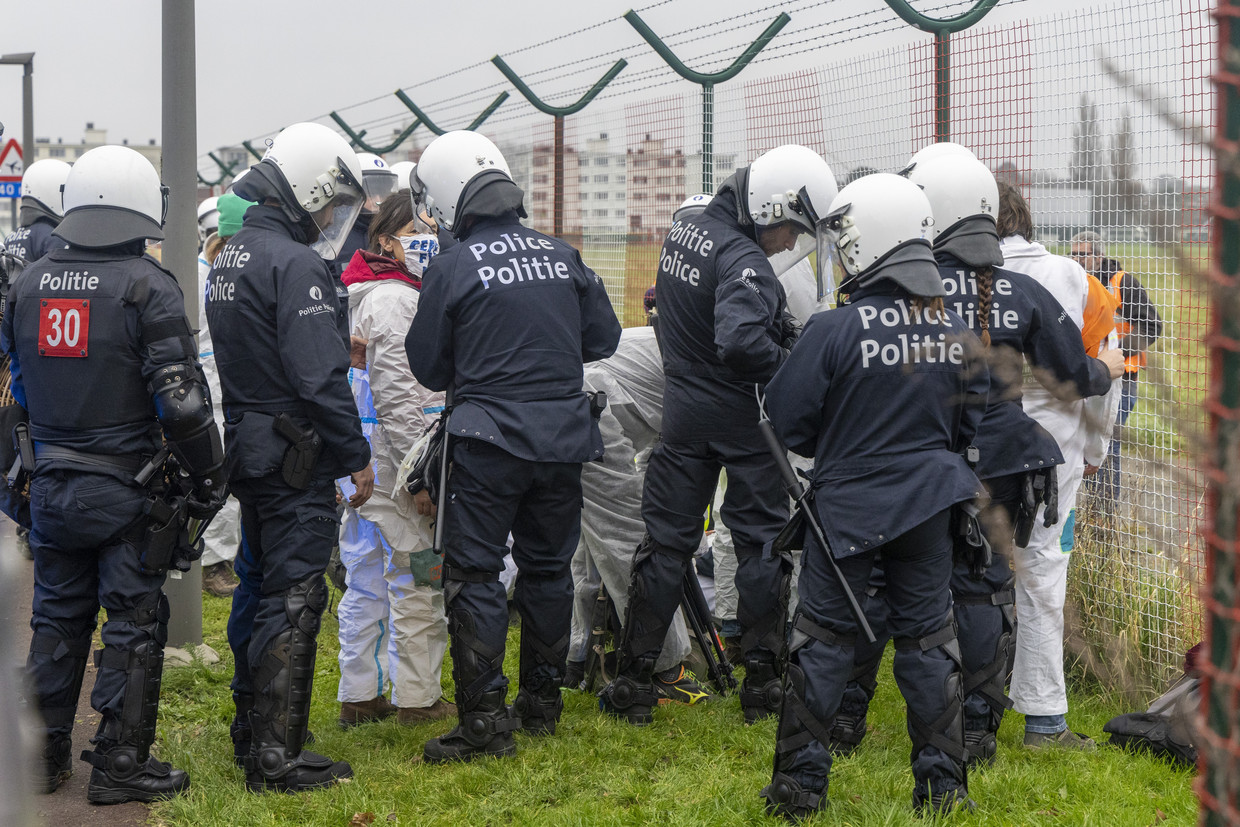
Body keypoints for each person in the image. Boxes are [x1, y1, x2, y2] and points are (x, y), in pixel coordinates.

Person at [829, 151, 1124, 768]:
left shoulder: (902, 290)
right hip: (1004, 463)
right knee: (984, 591)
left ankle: (846, 716)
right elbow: (1073, 378)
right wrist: (1108, 368)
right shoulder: (1023, 290)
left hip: (922, 462)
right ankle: (977, 729)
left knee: (881, 585)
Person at [760, 172, 988, 819]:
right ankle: (943, 790)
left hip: (845, 515)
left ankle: (800, 788)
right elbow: (968, 427)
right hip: (930, 510)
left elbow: (790, 422)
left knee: (822, 642)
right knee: (929, 642)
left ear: (867, 243)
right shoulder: (955, 331)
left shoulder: (832, 329)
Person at [3, 145, 226, 803]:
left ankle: (40, 760)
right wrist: (211, 475)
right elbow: (182, 404)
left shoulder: (28, 284)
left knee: (56, 620)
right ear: (139, 203)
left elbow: (13, 389)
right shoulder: (146, 284)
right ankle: (120, 764)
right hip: (129, 488)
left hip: (50, 484)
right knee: (133, 621)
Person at [599, 144, 837, 727]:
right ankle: (764, 685)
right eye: (789, 229)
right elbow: (740, 342)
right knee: (760, 546)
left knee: (663, 545)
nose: (788, 242)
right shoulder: (744, 259)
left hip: (683, 414)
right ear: (768, 206)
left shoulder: (687, 232)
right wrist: (790, 362)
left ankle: (633, 681)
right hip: (743, 419)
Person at [405, 130, 621, 763]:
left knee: (474, 575)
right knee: (548, 571)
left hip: (486, 443)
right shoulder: (562, 253)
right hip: (562, 439)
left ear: (449, 198)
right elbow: (603, 338)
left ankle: (483, 723)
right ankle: (541, 705)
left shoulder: (452, 266)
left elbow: (427, 365)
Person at [209, 122, 374, 792]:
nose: (331, 216)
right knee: (295, 597)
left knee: (257, 586)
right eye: (330, 202)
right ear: (307, 186)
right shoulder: (296, 263)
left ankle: (252, 731)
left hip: (249, 446)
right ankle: (278, 756)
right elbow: (318, 378)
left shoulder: (233, 253)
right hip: (294, 453)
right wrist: (356, 454)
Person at [997, 181, 1123, 749]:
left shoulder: (949, 276)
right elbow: (1100, 370)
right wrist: (1096, 450)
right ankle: (1044, 719)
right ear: (1027, 218)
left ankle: (965, 696)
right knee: (1043, 569)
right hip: (1056, 452)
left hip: (972, 441)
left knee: (967, 569)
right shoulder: (1072, 277)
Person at [336, 189, 453, 727]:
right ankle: (418, 699)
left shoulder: (368, 292)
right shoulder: (398, 300)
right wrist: (421, 479)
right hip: (397, 468)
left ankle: (360, 694)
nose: (426, 242)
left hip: (366, 466)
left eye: (431, 230)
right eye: (414, 233)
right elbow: (402, 400)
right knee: (419, 579)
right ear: (385, 241)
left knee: (366, 579)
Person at [565, 325, 705, 702]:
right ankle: (664, 668)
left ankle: (578, 657)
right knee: (626, 539)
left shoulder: (687, 340)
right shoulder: (712, 361)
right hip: (594, 406)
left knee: (593, 545)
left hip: (584, 401)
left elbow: (658, 454)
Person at [1069, 231, 1163, 515]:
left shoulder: (1122, 283)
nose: (1076, 259)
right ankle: (1092, 512)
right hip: (1086, 374)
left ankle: (1104, 514)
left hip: (1120, 378)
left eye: (1083, 254)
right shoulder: (1073, 282)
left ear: (1099, 256)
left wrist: (1116, 351)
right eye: (1073, 254)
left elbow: (1152, 326)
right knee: (1085, 443)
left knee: (1106, 444)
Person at [196, 192, 255, 597]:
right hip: (210, 389)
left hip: (230, 385)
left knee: (232, 476)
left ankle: (224, 555)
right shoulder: (201, 273)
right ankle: (213, 562)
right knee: (219, 478)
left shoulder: (222, 268)